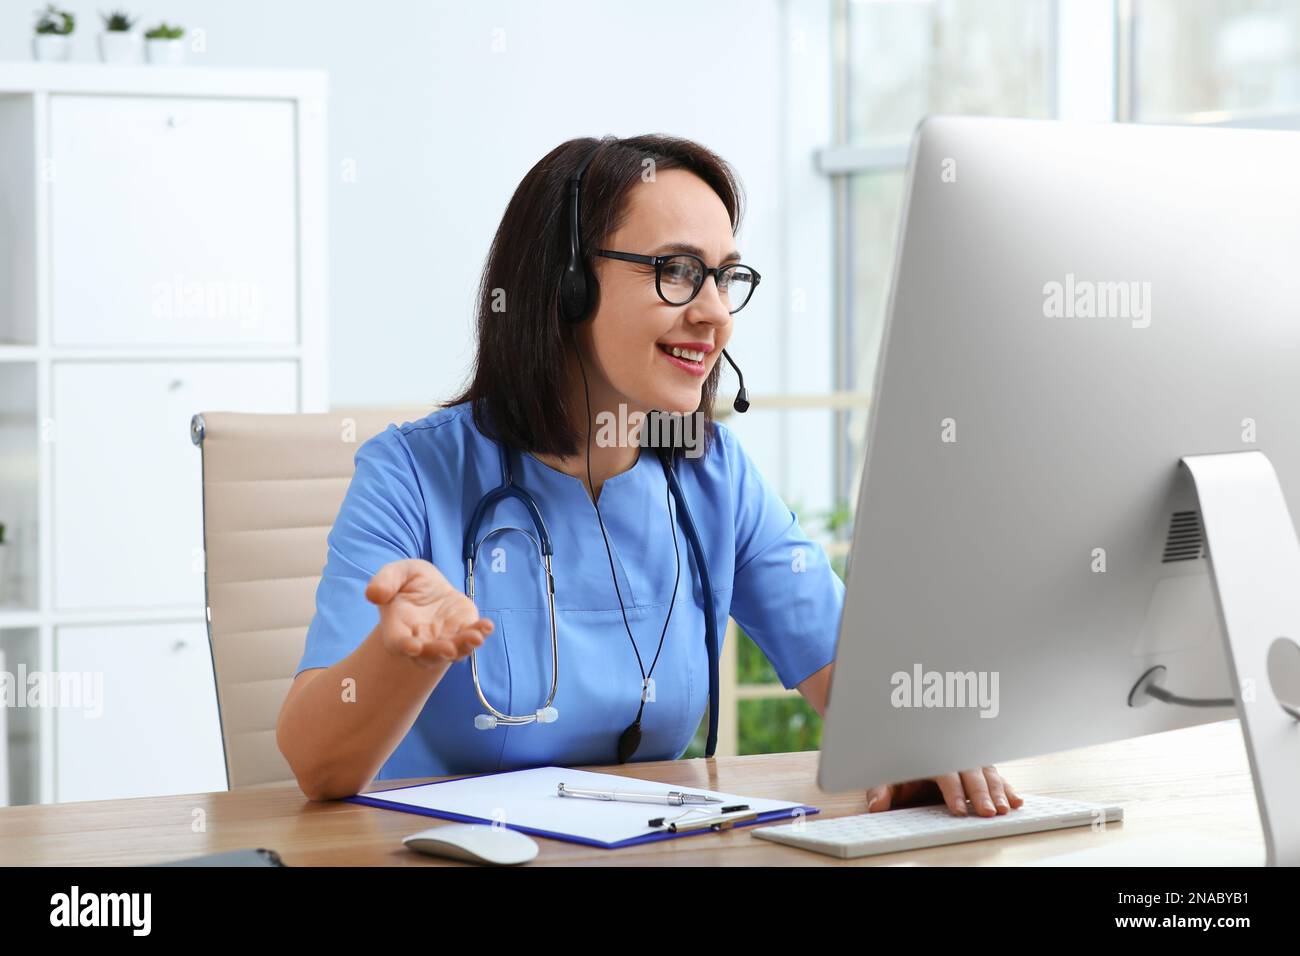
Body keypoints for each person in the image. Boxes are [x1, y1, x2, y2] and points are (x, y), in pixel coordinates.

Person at [275, 134, 1023, 819]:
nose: (716, 313)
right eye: (678, 271)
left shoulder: (713, 476)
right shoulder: (412, 471)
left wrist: (924, 743)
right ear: (566, 286)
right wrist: (397, 657)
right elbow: (317, 767)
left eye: (726, 277)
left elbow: (860, 686)